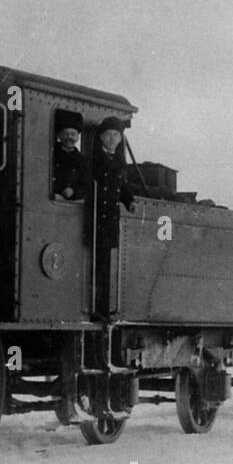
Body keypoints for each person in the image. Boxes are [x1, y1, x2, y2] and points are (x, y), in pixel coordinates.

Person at [90, 116, 136, 316]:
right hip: (94, 215)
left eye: (116, 135)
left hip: (109, 218)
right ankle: (94, 306)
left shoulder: (118, 162)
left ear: (120, 139)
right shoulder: (92, 159)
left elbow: (122, 186)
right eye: (108, 134)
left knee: (105, 263)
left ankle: (102, 307)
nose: (112, 138)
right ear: (101, 137)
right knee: (94, 261)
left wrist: (129, 200)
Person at [52, 127, 88, 200]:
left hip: (71, 203)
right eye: (66, 134)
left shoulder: (82, 160)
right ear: (59, 136)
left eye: (73, 134)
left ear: (77, 137)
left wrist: (73, 191)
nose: (69, 137)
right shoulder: (51, 155)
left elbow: (85, 185)